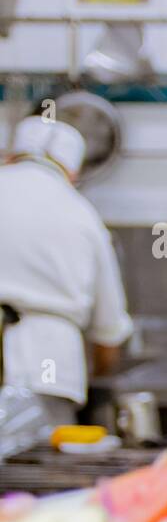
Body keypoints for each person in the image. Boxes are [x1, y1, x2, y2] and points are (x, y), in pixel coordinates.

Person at [0, 116, 133, 427]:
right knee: (35, 469)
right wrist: (98, 374)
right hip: (48, 366)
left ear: (10, 155)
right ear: (72, 172)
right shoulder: (82, 215)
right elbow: (109, 330)